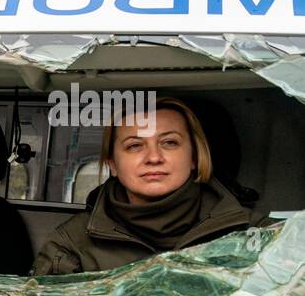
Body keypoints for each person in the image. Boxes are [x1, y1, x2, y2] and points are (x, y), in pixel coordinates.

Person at [33, 98, 268, 275]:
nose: (153, 157)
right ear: (113, 164)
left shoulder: (257, 233)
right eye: (135, 146)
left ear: (195, 158)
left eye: (169, 142)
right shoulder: (71, 243)